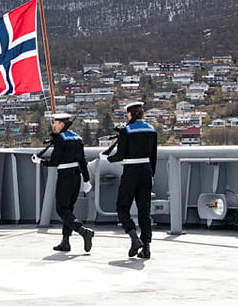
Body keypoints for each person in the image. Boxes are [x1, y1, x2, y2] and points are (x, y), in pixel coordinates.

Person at [33, 113, 95, 252]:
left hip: (65, 176)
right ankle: (65, 241)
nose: (53, 126)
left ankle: (83, 231)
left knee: (61, 209)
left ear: (61, 124)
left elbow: (55, 161)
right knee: (69, 209)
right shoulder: (77, 138)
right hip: (76, 176)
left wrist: (40, 161)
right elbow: (82, 161)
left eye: (55, 123)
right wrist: (86, 179)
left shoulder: (60, 139)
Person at [103, 101, 157, 259]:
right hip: (146, 171)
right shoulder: (152, 130)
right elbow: (153, 156)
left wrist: (107, 158)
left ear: (130, 114)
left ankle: (134, 237)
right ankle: (146, 247)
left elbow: (120, 155)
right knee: (144, 211)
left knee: (122, 207)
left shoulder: (127, 131)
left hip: (131, 172)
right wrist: (151, 174)